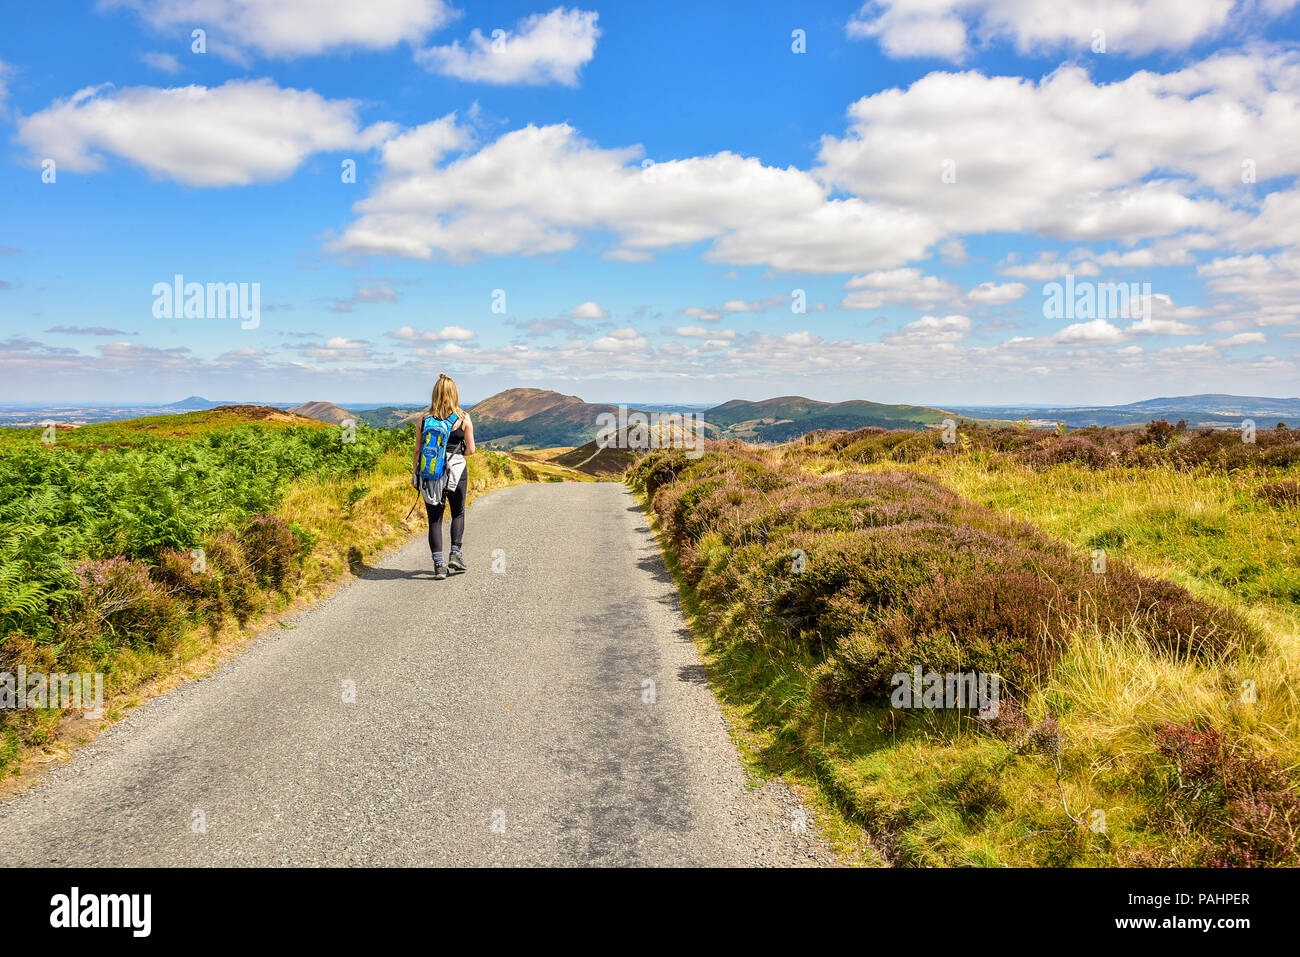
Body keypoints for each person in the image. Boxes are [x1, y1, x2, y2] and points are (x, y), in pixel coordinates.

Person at [411, 373, 475, 580]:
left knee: (435, 519)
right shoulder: (463, 418)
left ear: (435, 393)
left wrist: (416, 474)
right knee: (458, 513)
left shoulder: (424, 419)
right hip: (455, 470)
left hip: (430, 473)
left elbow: (417, 450)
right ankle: (455, 554)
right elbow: (471, 450)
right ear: (454, 394)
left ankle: (439, 565)